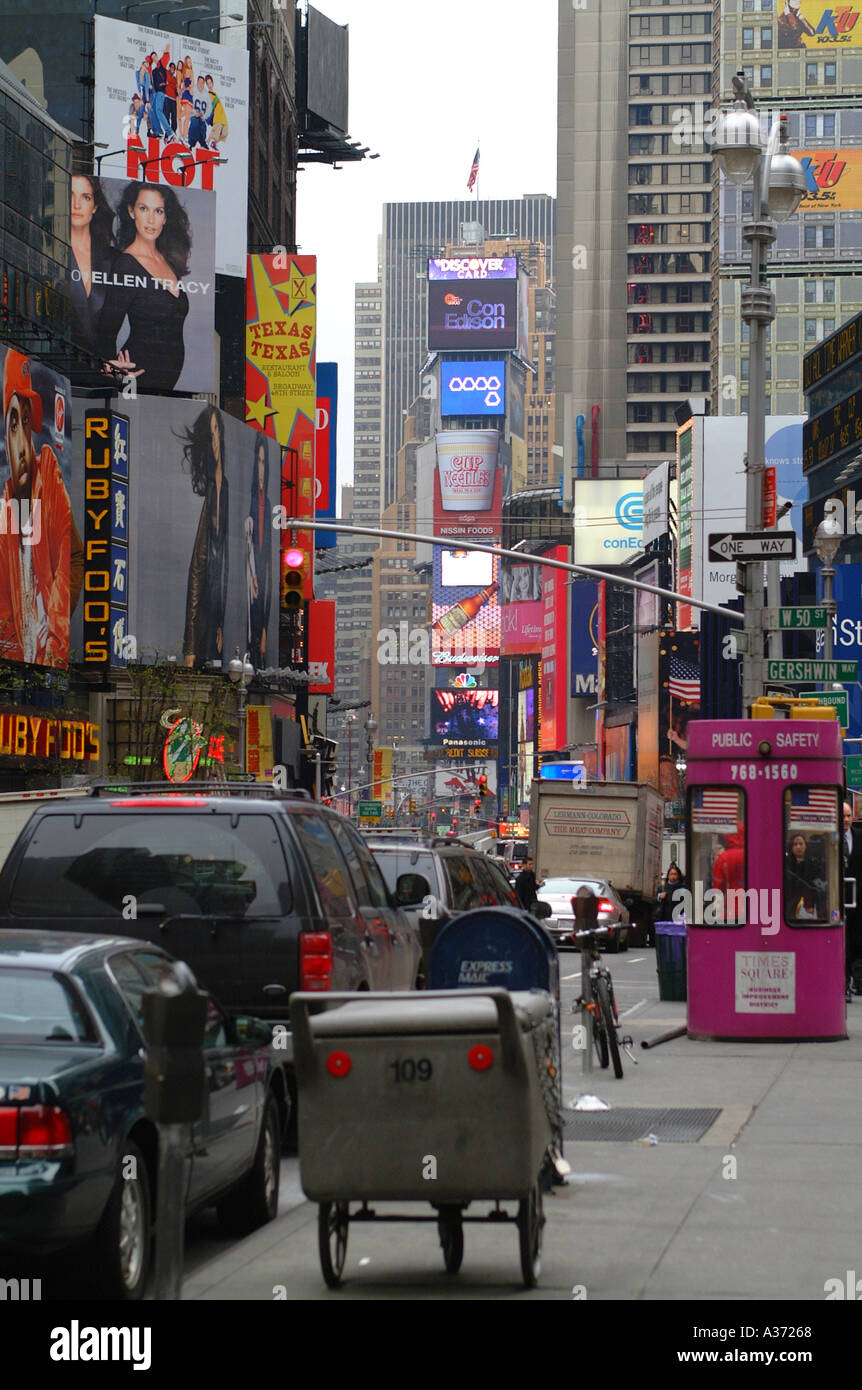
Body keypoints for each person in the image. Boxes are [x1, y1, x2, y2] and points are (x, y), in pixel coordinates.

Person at [0, 350, 84, 666]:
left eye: (25, 423)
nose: (22, 442)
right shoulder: (5, 504)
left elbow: (74, 556)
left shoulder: (48, 478)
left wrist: (57, 617)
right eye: (12, 425)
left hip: (47, 662)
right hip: (11, 663)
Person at [98, 182, 191, 392]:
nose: (151, 220)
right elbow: (106, 330)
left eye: (158, 211)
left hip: (165, 388)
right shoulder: (126, 265)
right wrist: (112, 371)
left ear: (166, 217)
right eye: (143, 209)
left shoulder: (169, 262)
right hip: (137, 382)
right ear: (131, 212)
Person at [183, 406, 229, 668]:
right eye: (210, 433)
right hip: (206, 615)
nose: (215, 440)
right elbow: (196, 570)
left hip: (225, 615)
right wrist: (190, 645)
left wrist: (224, 621)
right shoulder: (207, 489)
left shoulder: (231, 487)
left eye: (217, 431)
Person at [70, 173, 116, 359]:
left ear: (95, 206)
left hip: (99, 371)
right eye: (70, 196)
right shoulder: (47, 250)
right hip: (54, 362)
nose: (77, 205)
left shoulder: (113, 259)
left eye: (85, 197)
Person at [245, 433, 271, 669]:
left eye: (264, 462)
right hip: (244, 591)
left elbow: (270, 565)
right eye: (258, 462)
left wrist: (265, 627)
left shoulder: (270, 504)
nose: (261, 469)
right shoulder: (246, 499)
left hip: (261, 596)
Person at [843, 802, 862, 999]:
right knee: (843, 941)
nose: (846, 820)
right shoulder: (828, 837)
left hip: (859, 898)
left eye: (849, 816)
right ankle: (844, 983)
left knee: (857, 939)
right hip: (837, 899)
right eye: (843, 816)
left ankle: (858, 980)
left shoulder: (859, 836)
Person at [651, 862, 686, 944]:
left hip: (678, 919)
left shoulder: (683, 888)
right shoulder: (662, 888)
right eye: (671, 874)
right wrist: (660, 897)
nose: (673, 876)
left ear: (678, 875)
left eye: (675, 874)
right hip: (664, 918)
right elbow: (655, 900)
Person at [204, 74, 228, 149]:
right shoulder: (208, 94)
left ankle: (210, 142)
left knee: (225, 133)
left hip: (223, 115)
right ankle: (211, 142)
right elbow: (210, 105)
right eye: (208, 83)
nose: (209, 85)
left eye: (210, 82)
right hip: (217, 115)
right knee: (216, 130)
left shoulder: (215, 93)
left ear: (212, 82)